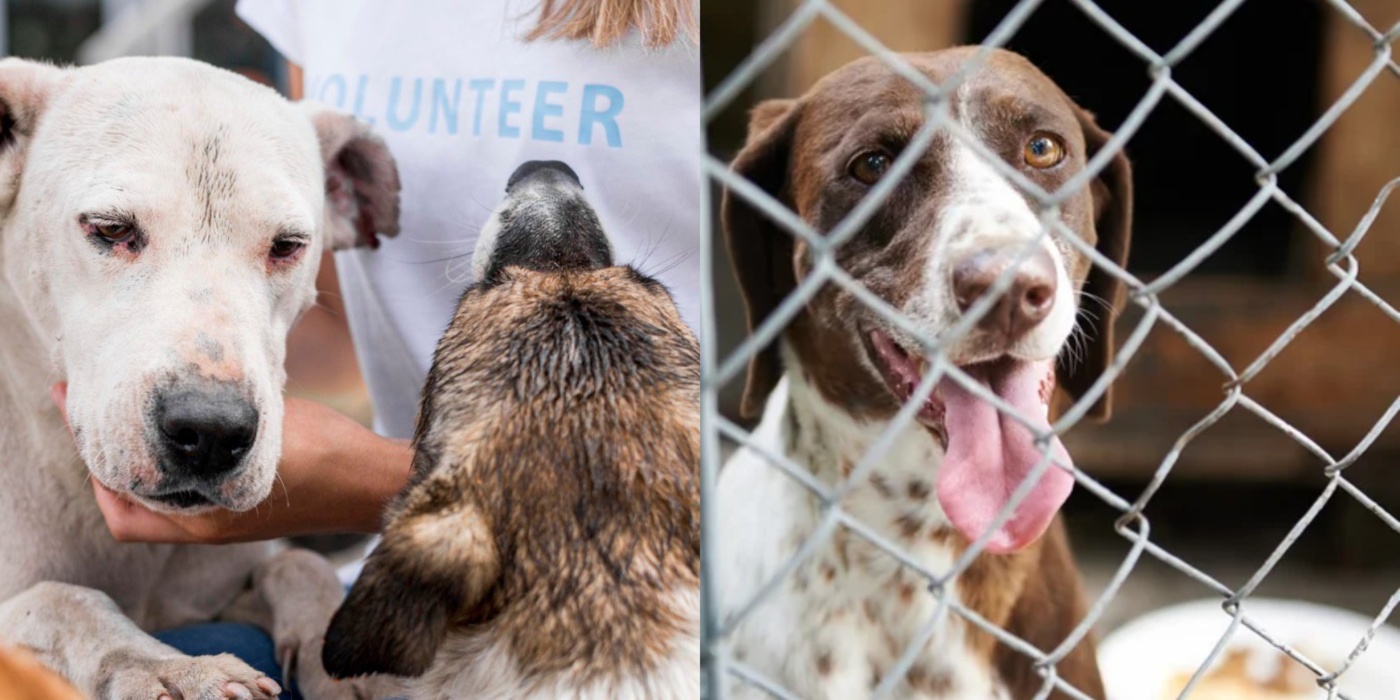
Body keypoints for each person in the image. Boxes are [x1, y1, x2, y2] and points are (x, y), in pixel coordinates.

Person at [51, 1, 701, 696]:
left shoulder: (758, 31)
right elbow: (315, 299)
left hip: (688, 597)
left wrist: (374, 482)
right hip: (416, 589)